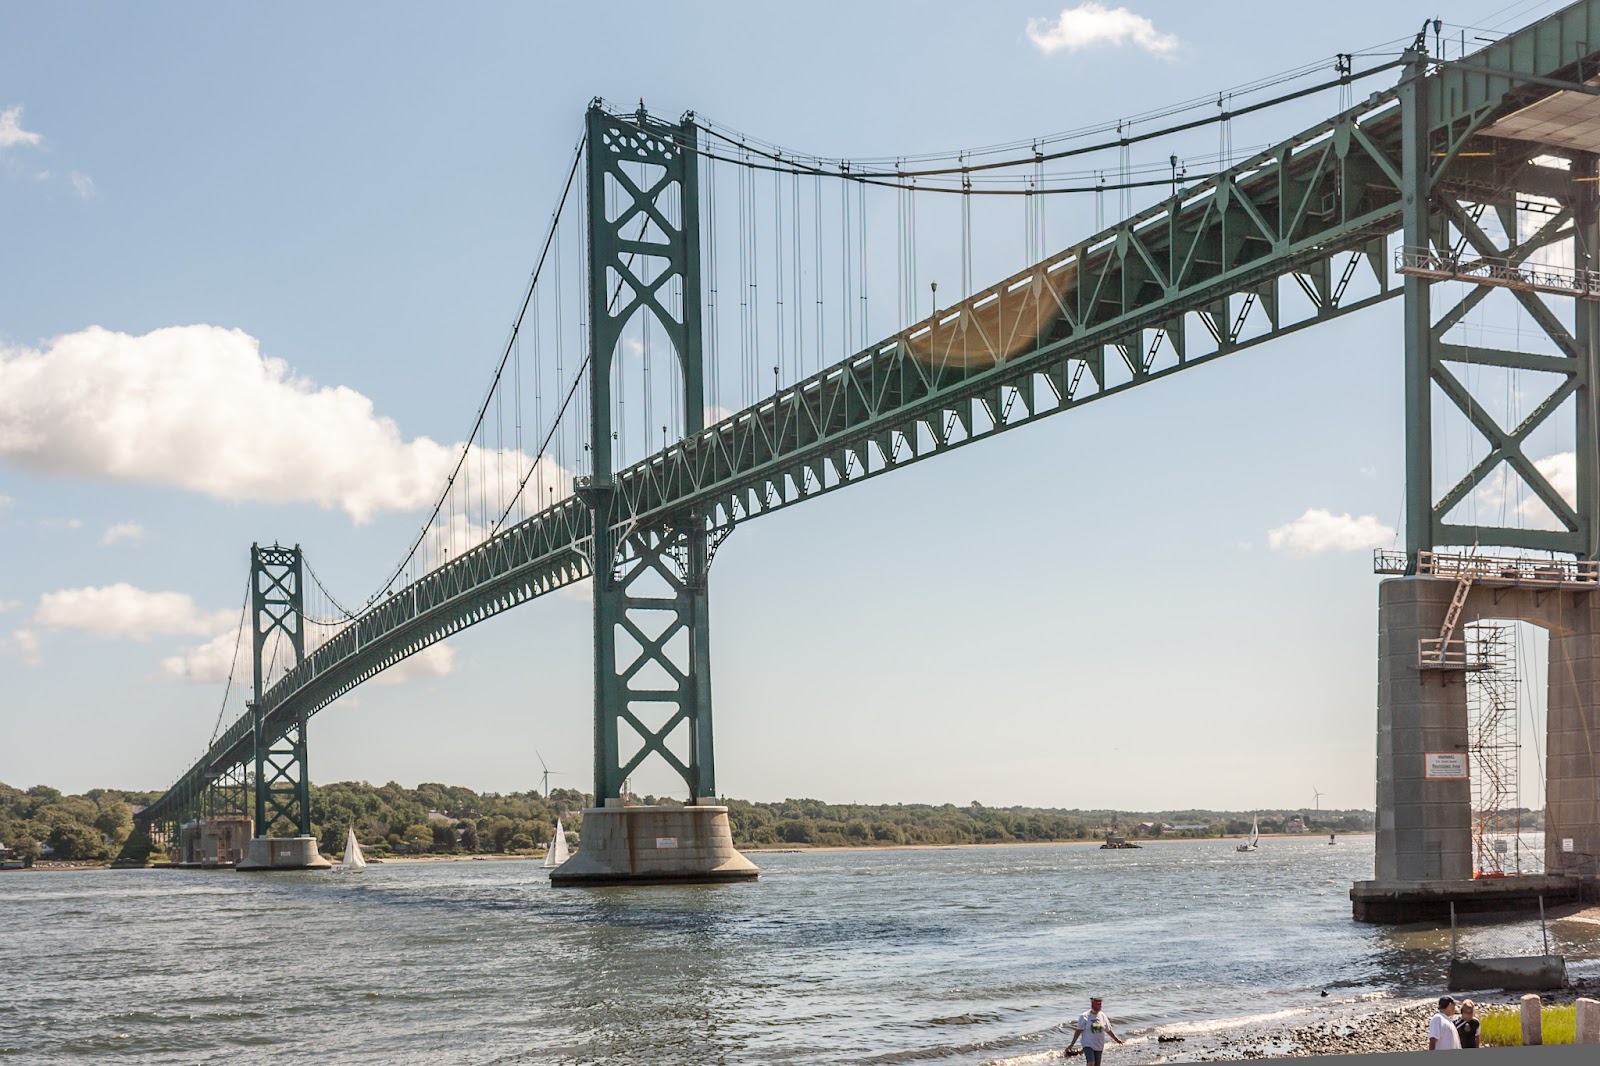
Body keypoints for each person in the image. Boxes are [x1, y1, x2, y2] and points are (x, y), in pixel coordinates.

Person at [1065, 996, 1123, 1063]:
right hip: (1087, 1044)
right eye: (1096, 1006)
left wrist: (1117, 1040)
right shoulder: (1084, 1016)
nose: (1098, 1008)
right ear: (1092, 1006)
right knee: (1091, 1062)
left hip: (1099, 1044)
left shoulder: (1102, 1016)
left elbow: (1108, 1030)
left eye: (1099, 1006)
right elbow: (1078, 1031)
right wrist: (1072, 1044)